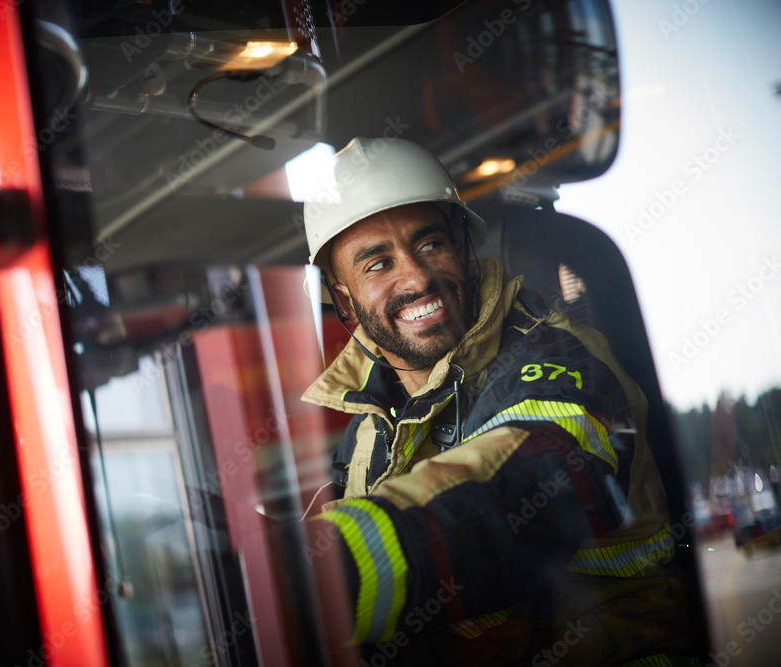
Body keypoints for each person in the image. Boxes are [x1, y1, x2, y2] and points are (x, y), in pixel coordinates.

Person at [298, 137, 698, 665]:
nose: (417, 277)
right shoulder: (369, 427)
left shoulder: (564, 360)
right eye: (377, 264)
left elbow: (529, 486)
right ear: (344, 297)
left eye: (430, 244)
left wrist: (315, 577)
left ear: (463, 248)